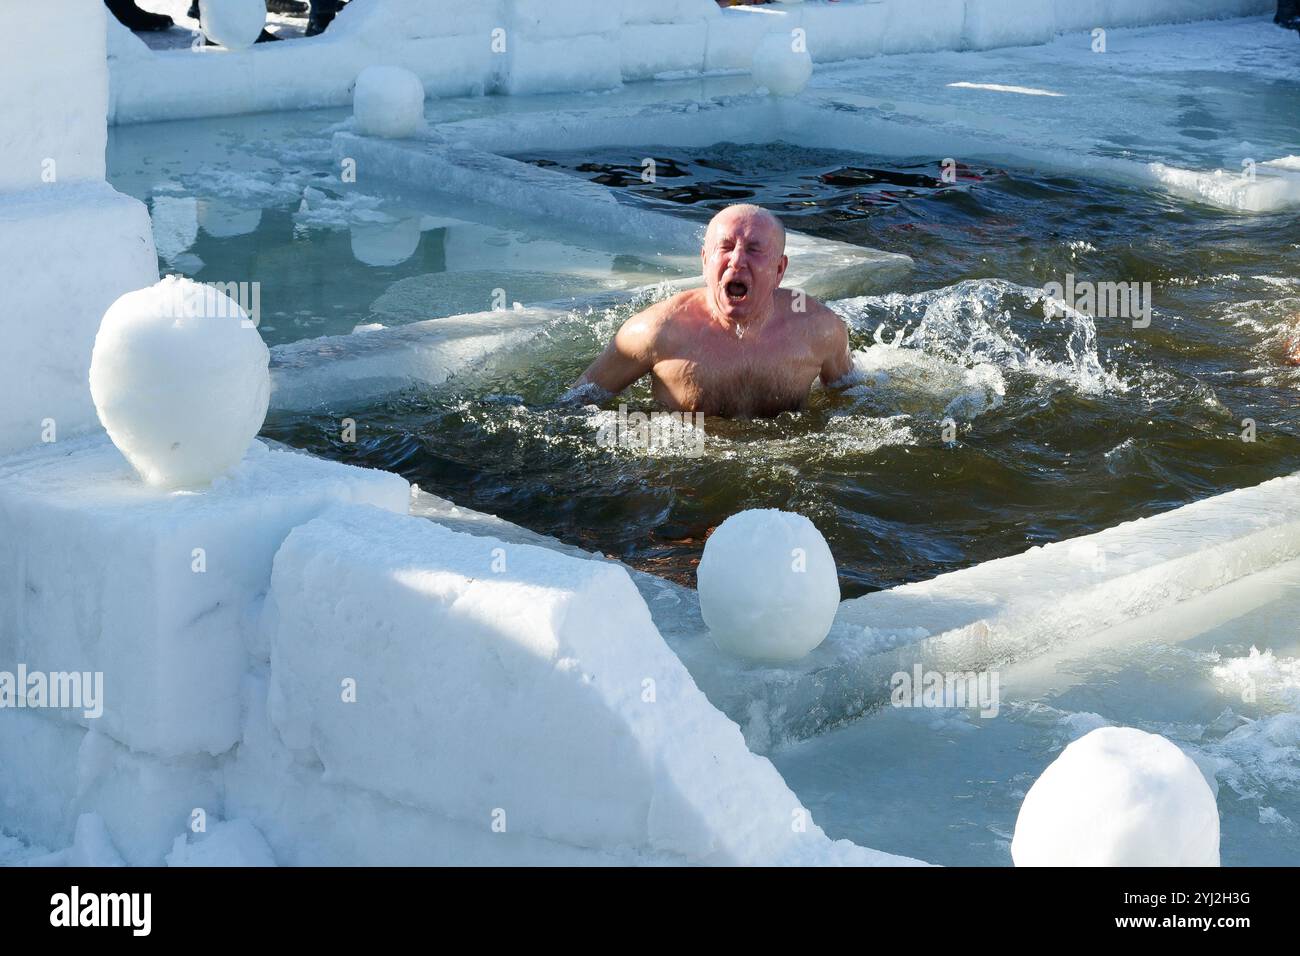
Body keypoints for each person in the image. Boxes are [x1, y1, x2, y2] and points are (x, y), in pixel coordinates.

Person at [567, 204, 854, 418]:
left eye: (754, 249)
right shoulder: (656, 332)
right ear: (705, 261)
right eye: (725, 247)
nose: (737, 260)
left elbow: (853, 400)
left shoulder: (820, 329)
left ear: (780, 269)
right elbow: (573, 406)